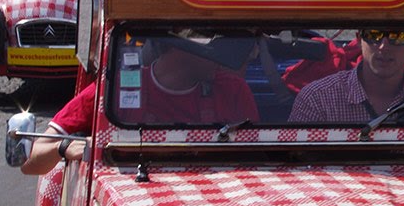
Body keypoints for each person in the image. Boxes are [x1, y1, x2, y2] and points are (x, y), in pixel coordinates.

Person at [21, 34, 260, 175]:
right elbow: (32, 160)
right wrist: (64, 147)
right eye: (215, 50)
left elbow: (261, 157)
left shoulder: (233, 89)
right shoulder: (115, 90)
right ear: (182, 49)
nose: (225, 62)